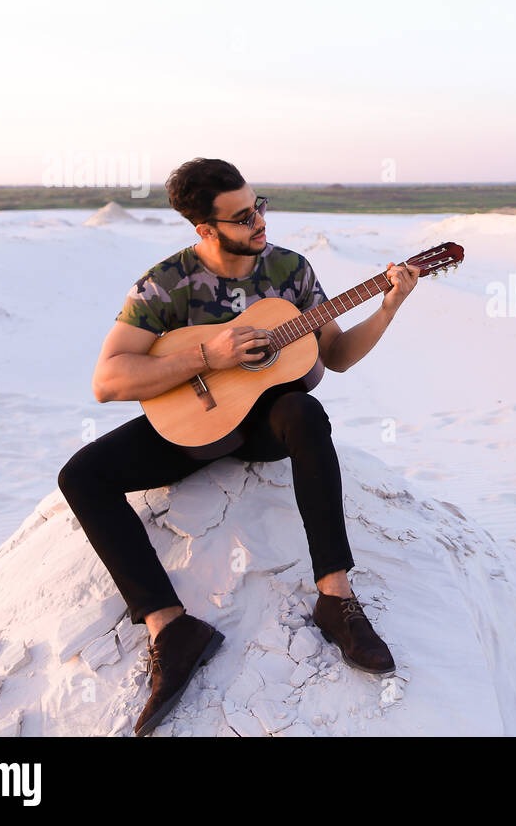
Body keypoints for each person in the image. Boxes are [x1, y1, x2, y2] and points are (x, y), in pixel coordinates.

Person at [56, 158, 418, 736]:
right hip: (197, 427)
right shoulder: (165, 283)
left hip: (265, 429)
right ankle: (172, 628)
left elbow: (338, 356)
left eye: (259, 206)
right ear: (205, 228)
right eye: (243, 217)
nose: (260, 221)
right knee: (81, 475)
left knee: (304, 410)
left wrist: (389, 306)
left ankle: (335, 598)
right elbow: (108, 380)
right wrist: (208, 356)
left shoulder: (290, 271)